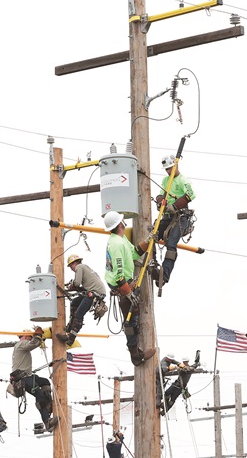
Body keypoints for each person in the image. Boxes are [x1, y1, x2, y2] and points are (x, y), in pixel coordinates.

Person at [104, 210, 156, 366]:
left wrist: (148, 240)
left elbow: (134, 253)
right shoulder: (117, 244)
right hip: (119, 282)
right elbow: (118, 274)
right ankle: (135, 355)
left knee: (133, 315)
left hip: (123, 280)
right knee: (130, 318)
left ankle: (136, 349)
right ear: (120, 224)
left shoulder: (120, 239)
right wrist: (128, 294)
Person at [154, 156, 196, 290]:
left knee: (171, 244)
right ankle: (153, 264)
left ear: (176, 166)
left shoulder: (183, 180)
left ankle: (164, 275)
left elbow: (191, 194)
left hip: (181, 217)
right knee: (152, 235)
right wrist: (161, 202)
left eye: (170, 168)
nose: (168, 171)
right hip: (168, 216)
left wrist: (175, 206)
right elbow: (161, 194)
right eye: (166, 169)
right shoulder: (166, 180)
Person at [9, 328, 57, 430]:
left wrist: (40, 338)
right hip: (23, 379)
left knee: (45, 382)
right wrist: (38, 336)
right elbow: (34, 344)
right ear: (26, 337)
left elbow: (35, 343)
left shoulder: (21, 346)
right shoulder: (21, 344)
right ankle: (47, 421)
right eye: (30, 338)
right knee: (39, 394)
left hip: (28, 376)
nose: (30, 339)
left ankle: (48, 405)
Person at [55, 255, 107, 346]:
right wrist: (74, 287)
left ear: (74, 263)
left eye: (71, 266)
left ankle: (70, 338)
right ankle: (70, 327)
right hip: (96, 292)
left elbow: (77, 283)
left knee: (79, 314)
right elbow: (83, 287)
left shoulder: (79, 267)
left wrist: (72, 285)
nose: (71, 269)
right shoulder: (86, 268)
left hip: (94, 293)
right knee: (74, 302)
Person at [157, 351, 199, 415]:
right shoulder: (188, 367)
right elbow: (195, 364)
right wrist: (198, 356)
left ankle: (164, 411)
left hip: (180, 387)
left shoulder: (188, 368)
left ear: (187, 362)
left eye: (185, 362)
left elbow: (188, 369)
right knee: (166, 394)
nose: (184, 363)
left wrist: (178, 368)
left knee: (172, 400)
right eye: (184, 362)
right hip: (176, 384)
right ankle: (165, 406)